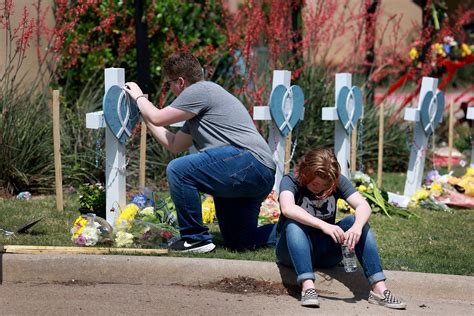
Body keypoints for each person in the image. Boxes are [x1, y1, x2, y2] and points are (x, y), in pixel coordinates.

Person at [124, 52, 276, 253]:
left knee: (179, 170)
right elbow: (175, 144)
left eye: (169, 84)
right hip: (258, 171)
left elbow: (158, 117)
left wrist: (139, 97)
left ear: (180, 81)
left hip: (247, 163)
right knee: (240, 241)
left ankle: (195, 238)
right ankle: (299, 230)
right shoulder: (201, 108)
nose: (170, 89)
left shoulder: (200, 90)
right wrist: (146, 116)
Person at [275, 148, 406, 309]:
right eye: (315, 183)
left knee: (358, 221)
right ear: (305, 172)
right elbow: (288, 208)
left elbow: (363, 205)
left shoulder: (337, 180)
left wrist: (357, 227)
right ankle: (308, 287)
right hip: (290, 251)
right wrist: (324, 225)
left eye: (324, 185)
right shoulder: (291, 180)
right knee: (294, 223)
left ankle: (380, 290)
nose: (319, 188)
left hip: (325, 252)